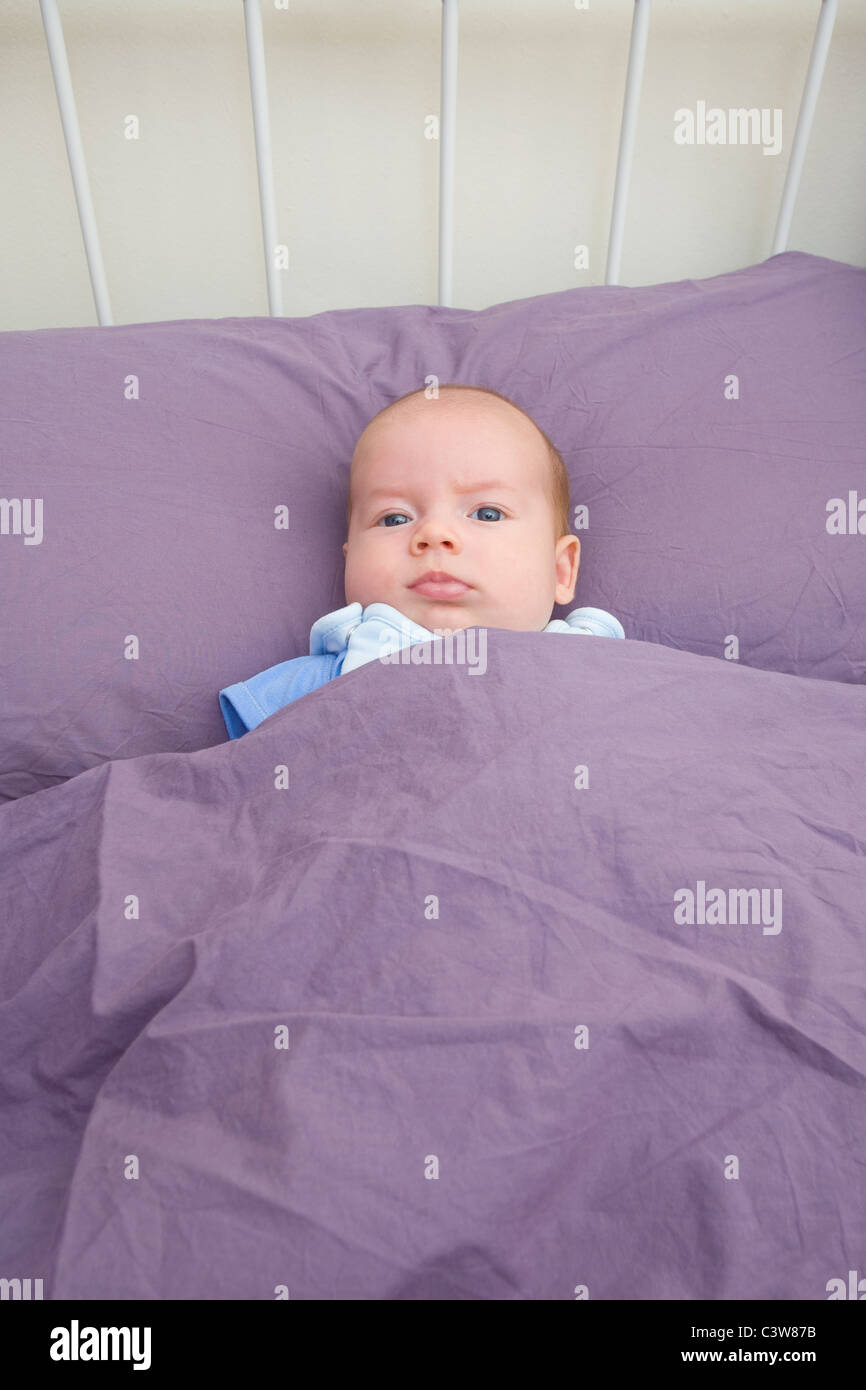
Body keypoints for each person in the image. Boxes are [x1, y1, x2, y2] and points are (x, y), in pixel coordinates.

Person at [219, 383, 624, 739]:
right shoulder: (323, 683)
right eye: (395, 518)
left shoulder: (596, 667)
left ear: (560, 570)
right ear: (350, 562)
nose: (434, 534)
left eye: (487, 514)